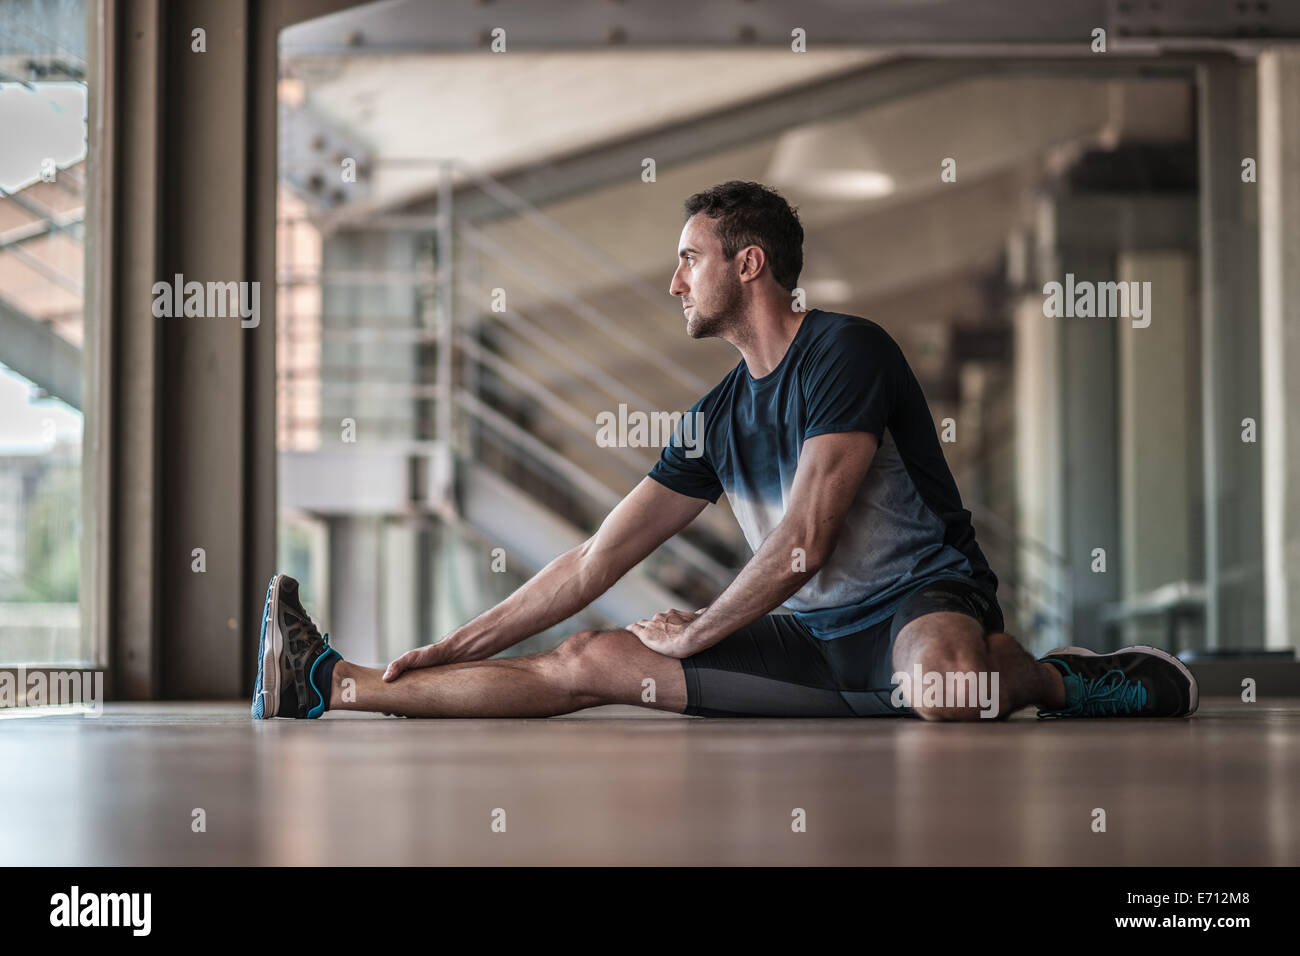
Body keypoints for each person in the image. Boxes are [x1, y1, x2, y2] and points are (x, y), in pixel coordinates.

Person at [252, 180, 1197, 722]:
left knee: (949, 695)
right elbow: (593, 561)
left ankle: (1058, 677)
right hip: (808, 641)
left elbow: (804, 541)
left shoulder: (846, 352)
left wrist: (700, 631)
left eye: (689, 258)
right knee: (587, 656)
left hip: (916, 601)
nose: (673, 282)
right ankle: (331, 681)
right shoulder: (713, 416)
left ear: (750, 263)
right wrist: (453, 643)